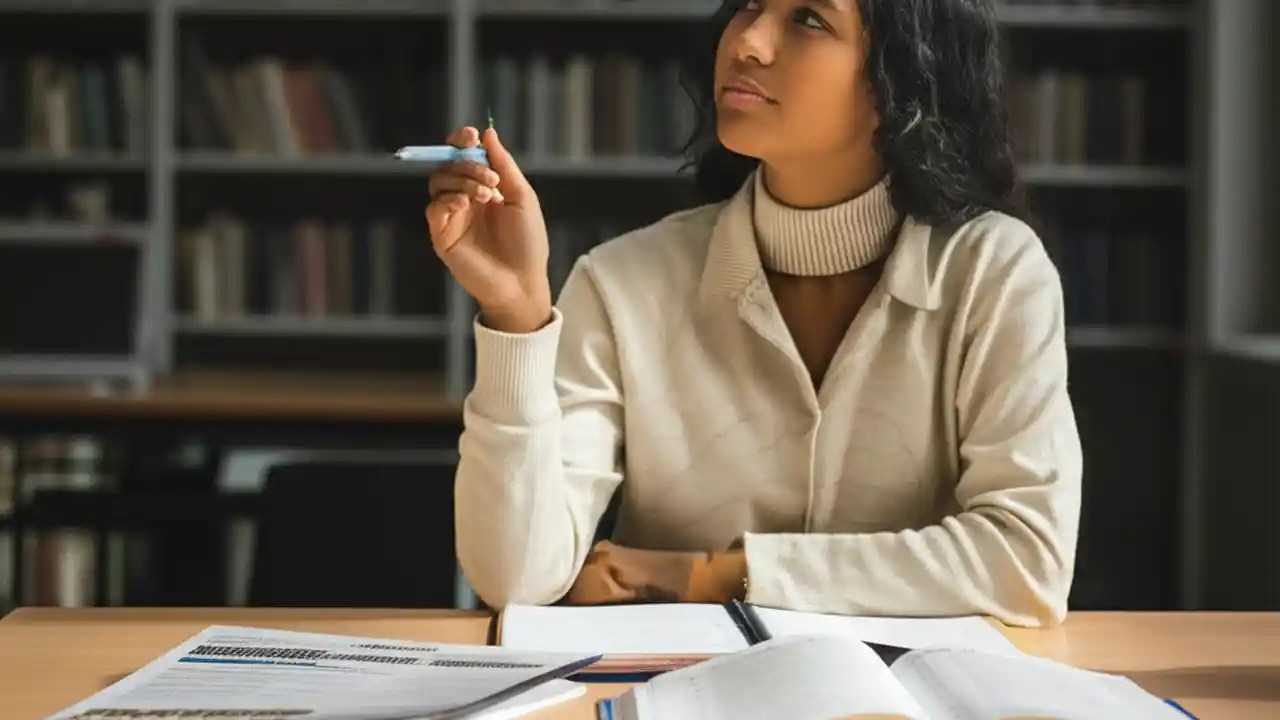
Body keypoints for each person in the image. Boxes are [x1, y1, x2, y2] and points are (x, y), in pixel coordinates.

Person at [426, 0, 1081, 627]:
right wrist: (515, 314)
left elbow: (1027, 559)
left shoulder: (995, 270)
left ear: (899, 78)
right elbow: (514, 580)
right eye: (746, 5)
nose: (745, 42)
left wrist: (714, 575)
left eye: (808, 19)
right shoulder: (622, 280)